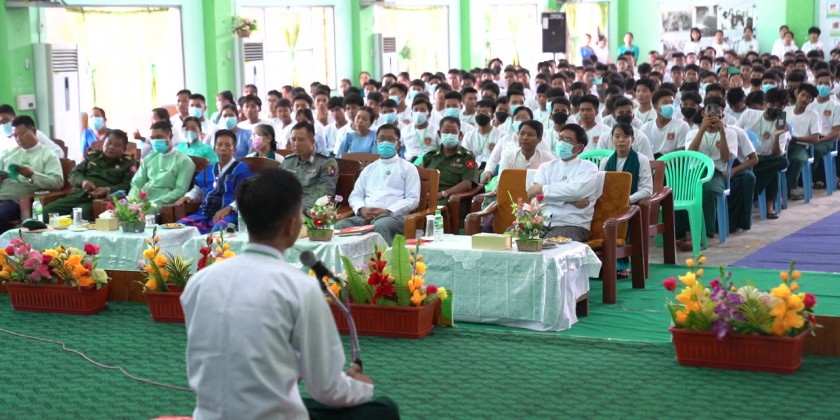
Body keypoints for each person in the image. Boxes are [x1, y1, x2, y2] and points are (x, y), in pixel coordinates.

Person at [181, 167, 399, 419]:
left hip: (210, 415)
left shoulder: (200, 282)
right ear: (292, 224)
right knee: (383, 409)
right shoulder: (300, 287)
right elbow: (328, 389)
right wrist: (362, 387)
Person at [335, 123, 420, 245]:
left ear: (398, 144)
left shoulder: (408, 168)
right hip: (365, 216)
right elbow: (355, 195)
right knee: (340, 225)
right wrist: (361, 209)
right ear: (376, 142)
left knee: (380, 226)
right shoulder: (369, 169)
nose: (385, 142)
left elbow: (412, 199)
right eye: (381, 139)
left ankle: (385, 263)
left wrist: (388, 211)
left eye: (390, 139)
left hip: (394, 217)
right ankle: (349, 263)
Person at [679, 97, 738, 249]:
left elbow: (726, 158)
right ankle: (687, 233)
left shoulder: (730, 133)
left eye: (717, 113)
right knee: (681, 191)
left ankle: (704, 235)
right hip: (694, 172)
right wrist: (702, 129)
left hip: (716, 172)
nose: (713, 116)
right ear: (703, 113)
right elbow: (690, 154)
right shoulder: (693, 132)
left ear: (722, 116)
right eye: (709, 113)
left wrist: (722, 133)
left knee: (709, 190)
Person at [527, 123, 600, 242]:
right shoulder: (546, 167)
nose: (561, 143)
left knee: (551, 247)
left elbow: (576, 191)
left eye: (567, 140)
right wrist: (570, 199)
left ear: (579, 148)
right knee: (512, 239)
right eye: (560, 138)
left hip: (571, 224)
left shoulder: (588, 167)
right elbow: (536, 196)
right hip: (541, 223)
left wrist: (543, 189)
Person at [43, 129, 136, 222]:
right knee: (46, 213)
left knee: (78, 217)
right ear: (103, 143)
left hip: (98, 201)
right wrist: (83, 182)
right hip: (78, 195)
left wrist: (107, 190)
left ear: (124, 149)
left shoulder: (128, 164)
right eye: (109, 143)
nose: (111, 147)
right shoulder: (92, 156)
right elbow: (74, 174)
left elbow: (128, 185)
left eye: (117, 145)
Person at [175, 130, 253, 233]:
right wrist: (188, 196)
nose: (223, 148)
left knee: (217, 231)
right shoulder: (209, 169)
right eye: (219, 145)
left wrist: (229, 208)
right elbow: (199, 190)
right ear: (214, 148)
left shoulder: (242, 169)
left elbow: (247, 195)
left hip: (230, 214)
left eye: (227, 145)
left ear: (234, 149)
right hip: (204, 213)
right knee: (179, 227)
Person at [735, 88, 790, 219]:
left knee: (781, 162)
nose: (776, 108)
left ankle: (757, 197)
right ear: (765, 103)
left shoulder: (781, 123)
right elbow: (735, 133)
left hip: (768, 159)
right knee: (773, 169)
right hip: (748, 157)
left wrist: (777, 135)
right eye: (773, 104)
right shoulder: (749, 114)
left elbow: (777, 154)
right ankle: (769, 207)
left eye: (780, 105)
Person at [0, 116, 63, 225]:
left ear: (34, 131)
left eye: (22, 134)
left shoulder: (47, 155)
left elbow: (57, 182)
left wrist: (33, 175)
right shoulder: (7, 153)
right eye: (15, 135)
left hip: (17, 202)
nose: (19, 138)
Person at [128, 121, 195, 208]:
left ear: (170, 137)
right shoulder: (149, 158)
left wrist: (153, 204)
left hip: (164, 204)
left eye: (159, 137)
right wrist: (133, 201)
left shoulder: (185, 161)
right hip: (142, 201)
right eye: (152, 138)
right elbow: (137, 183)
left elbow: (180, 191)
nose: (155, 141)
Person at [420, 117, 478, 213]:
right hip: (428, 196)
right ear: (439, 133)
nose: (449, 135)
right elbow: (421, 180)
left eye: (454, 132)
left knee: (434, 211)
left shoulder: (467, 156)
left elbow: (467, 184)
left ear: (460, 135)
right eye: (446, 131)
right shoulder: (429, 156)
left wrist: (442, 194)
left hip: (451, 198)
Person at [281, 122, 338, 211]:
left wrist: (297, 208)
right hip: (288, 208)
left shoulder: (327, 163)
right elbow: (279, 187)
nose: (296, 144)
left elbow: (326, 193)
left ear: (312, 141)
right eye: (293, 139)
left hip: (312, 209)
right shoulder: (287, 161)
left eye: (301, 139)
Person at [784, 84, 821, 200]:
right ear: (797, 94)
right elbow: (778, 127)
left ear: (812, 100)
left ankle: (789, 189)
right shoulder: (786, 109)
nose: (804, 99)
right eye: (803, 95)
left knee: (795, 159)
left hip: (801, 146)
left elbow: (815, 138)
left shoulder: (813, 115)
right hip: (784, 144)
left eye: (808, 97)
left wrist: (796, 138)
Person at [809, 72, 840, 189]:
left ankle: (818, 178)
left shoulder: (836, 107)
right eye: (820, 83)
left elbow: (836, 132)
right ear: (815, 84)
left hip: (827, 139)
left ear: (832, 86)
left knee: (817, 150)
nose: (823, 86)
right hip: (809, 138)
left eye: (826, 83)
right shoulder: (810, 105)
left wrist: (819, 140)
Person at [0, 104, 64, 158]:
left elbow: (58, 152)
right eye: (0, 122)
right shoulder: (2, 140)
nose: (3, 124)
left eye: (5, 120)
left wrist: (41, 162)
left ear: (15, 117)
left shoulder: (33, 134)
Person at [641, 89, 690, 158]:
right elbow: (643, 153)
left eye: (671, 102)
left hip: (673, 166)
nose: (670, 106)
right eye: (666, 103)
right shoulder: (645, 128)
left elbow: (680, 156)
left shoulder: (682, 126)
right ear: (656, 107)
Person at [462, 99, 504, 168]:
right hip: (472, 170)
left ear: (493, 116)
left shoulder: (501, 136)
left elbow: (501, 159)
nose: (481, 114)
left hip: (493, 171)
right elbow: (465, 158)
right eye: (478, 112)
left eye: (485, 112)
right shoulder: (468, 136)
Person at [400, 97, 438, 162]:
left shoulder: (436, 131)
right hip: (410, 163)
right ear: (412, 114)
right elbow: (398, 146)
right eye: (416, 110)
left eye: (422, 110)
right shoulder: (405, 130)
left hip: (430, 163)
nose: (418, 112)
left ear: (429, 115)